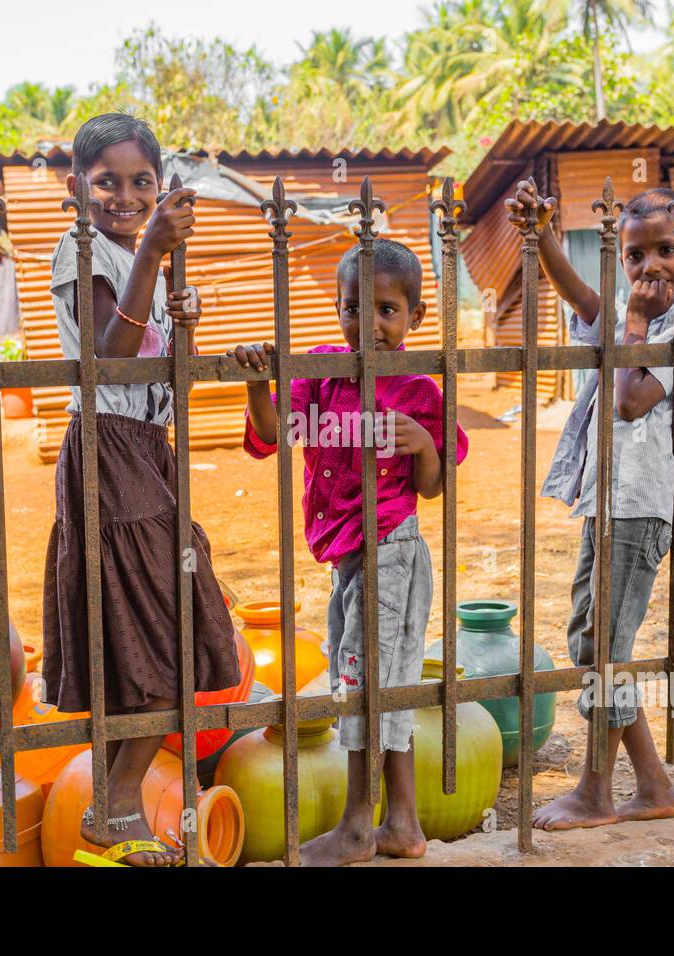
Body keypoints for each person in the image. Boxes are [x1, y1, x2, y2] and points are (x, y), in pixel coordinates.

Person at [228, 237, 469, 866]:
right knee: (373, 680)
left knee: (369, 685)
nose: (370, 324)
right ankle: (405, 826)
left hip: (392, 551)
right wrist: (259, 384)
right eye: (355, 307)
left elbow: (433, 488)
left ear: (414, 317)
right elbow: (274, 435)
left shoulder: (418, 388)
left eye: (388, 310)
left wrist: (423, 446)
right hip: (349, 560)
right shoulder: (322, 372)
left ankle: (360, 826)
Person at [42, 112, 241, 867]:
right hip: (107, 454)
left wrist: (180, 316)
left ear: (159, 185)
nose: (125, 196)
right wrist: (154, 253)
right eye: (107, 183)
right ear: (76, 189)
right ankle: (114, 808)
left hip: (147, 453)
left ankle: (115, 803)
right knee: (156, 631)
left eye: (141, 183)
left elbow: (159, 359)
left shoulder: (139, 258)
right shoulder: (82, 248)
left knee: (173, 625)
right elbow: (111, 357)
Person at [506, 181, 674, 830]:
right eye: (635, 255)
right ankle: (654, 786)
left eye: (665, 249)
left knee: (604, 647)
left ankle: (596, 793)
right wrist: (541, 233)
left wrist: (634, 319)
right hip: (607, 501)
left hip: (641, 505)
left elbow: (629, 399)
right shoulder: (632, 311)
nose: (650, 266)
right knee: (594, 640)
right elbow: (580, 295)